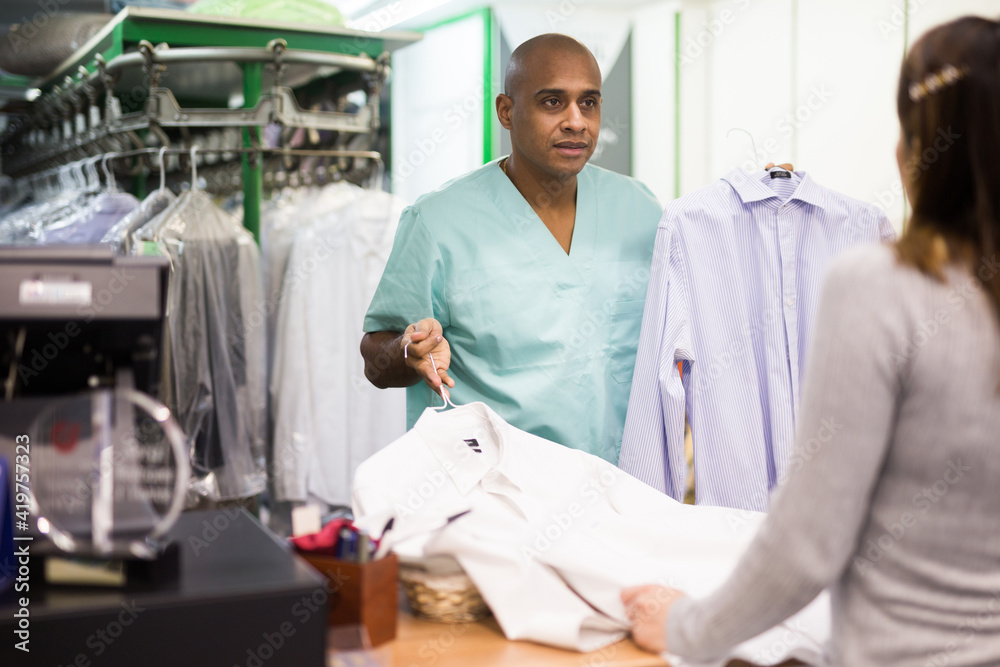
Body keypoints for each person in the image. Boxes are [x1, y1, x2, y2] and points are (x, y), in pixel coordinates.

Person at [622, 15, 1000, 666]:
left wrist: (682, 622)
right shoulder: (691, 225)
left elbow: (807, 544)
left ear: (915, 150)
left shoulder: (881, 282)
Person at [361, 33, 663, 462]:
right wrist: (408, 351)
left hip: (624, 485)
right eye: (553, 102)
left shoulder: (641, 210)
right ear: (507, 111)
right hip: (494, 493)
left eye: (589, 102)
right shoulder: (437, 222)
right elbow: (376, 357)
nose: (577, 121)